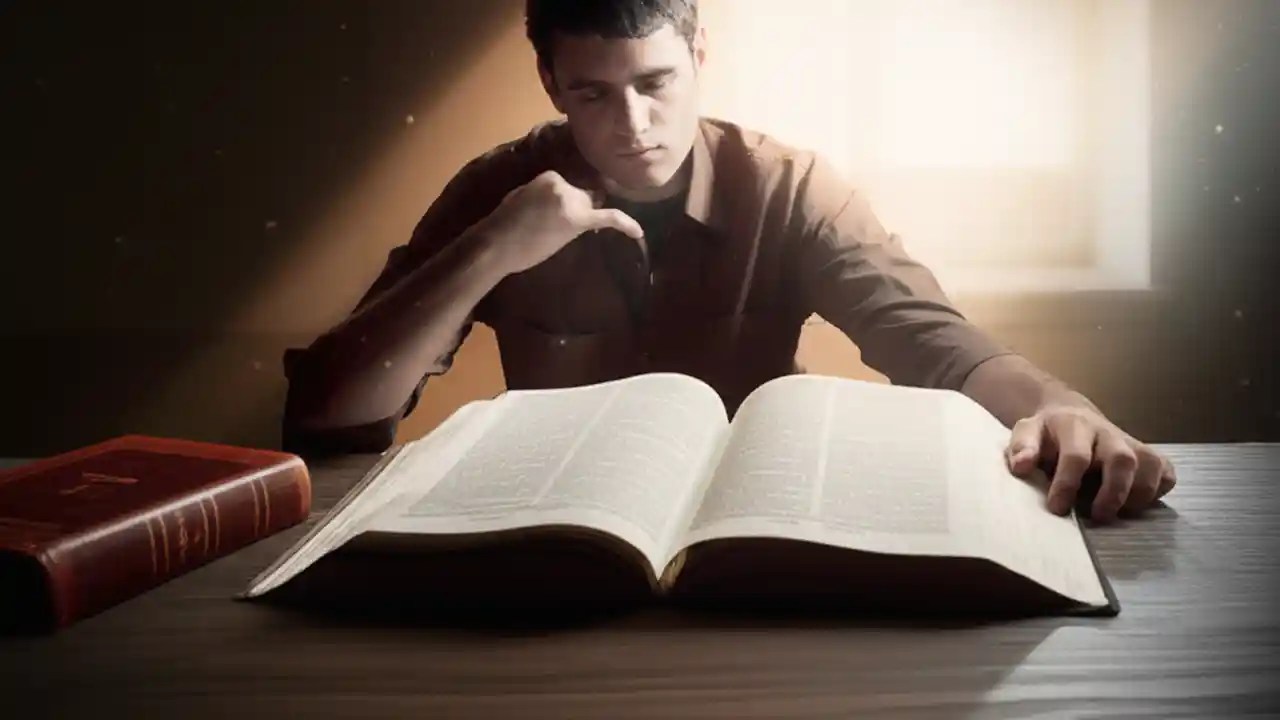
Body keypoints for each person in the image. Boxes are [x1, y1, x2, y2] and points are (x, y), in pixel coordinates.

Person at [281, 0, 1175, 524]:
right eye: (592, 94)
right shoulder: (501, 191)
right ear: (551, 84)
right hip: (560, 544)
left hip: (748, 544)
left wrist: (1066, 408)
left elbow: (936, 343)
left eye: (655, 83)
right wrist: (492, 248)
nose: (631, 127)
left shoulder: (789, 186)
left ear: (699, 55)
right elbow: (327, 411)